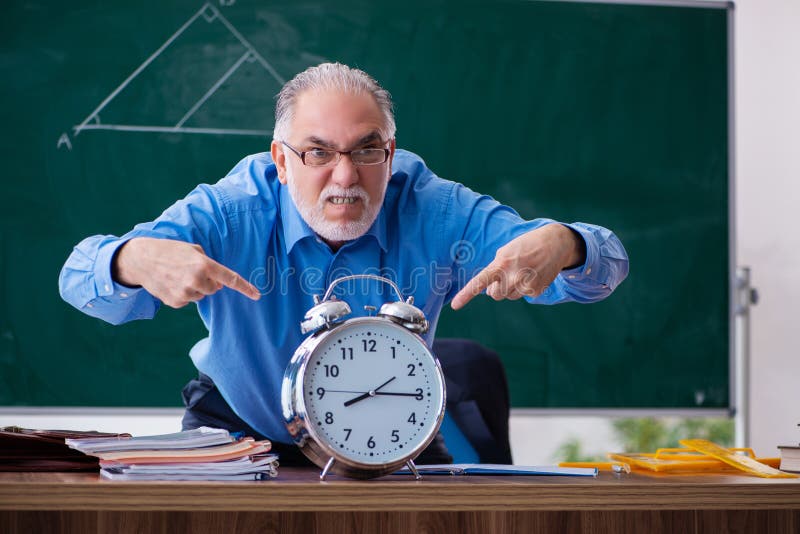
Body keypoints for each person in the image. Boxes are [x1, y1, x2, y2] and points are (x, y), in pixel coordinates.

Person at [59, 62, 629, 464]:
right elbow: (77, 276)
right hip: (241, 434)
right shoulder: (230, 210)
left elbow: (603, 264)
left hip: (396, 437)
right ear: (281, 161)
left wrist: (568, 244)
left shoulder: (435, 206)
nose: (345, 175)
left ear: (390, 151)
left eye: (366, 149)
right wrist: (128, 260)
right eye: (318, 153)